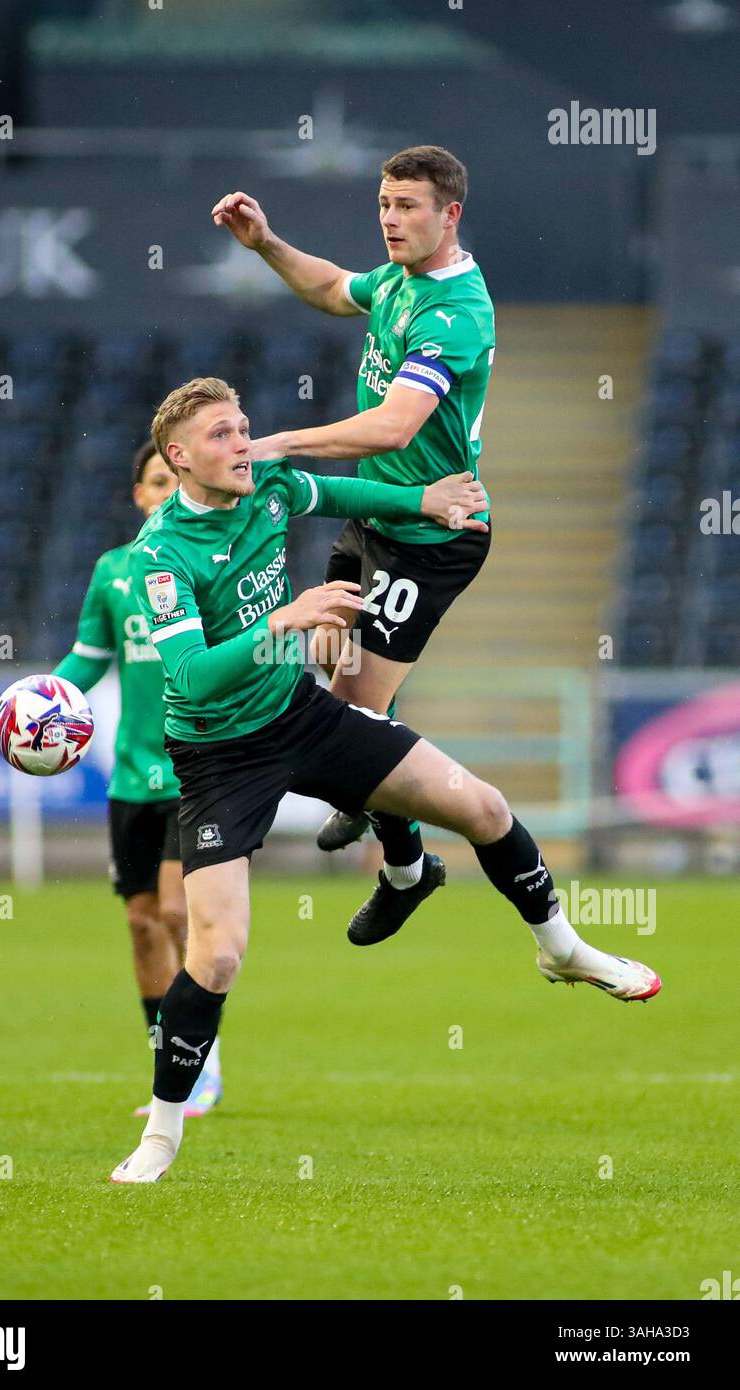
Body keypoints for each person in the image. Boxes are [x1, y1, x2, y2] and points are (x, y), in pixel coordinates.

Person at [109, 378, 660, 1185]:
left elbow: (339, 488)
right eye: (223, 435)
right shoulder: (160, 555)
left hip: (302, 716)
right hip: (221, 760)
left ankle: (562, 949)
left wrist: (424, 502)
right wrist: (285, 620)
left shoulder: (269, 484)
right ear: (177, 457)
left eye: (244, 426)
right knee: (217, 956)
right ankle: (161, 1137)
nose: (244, 444)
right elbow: (190, 677)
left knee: (481, 805)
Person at [212, 146, 495, 935]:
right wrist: (267, 242)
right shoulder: (398, 283)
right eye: (383, 204)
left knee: (348, 712)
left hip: (430, 534)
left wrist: (277, 443)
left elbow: (393, 423)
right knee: (331, 666)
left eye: (407, 206)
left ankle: (404, 868)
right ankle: (391, 837)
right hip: (379, 514)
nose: (391, 219)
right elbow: (335, 288)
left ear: (450, 214)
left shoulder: (456, 312)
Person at [0, 442, 221, 1117]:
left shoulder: (202, 561)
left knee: (180, 913)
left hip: (194, 771)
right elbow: (84, 664)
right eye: (155, 482)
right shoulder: (114, 572)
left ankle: (201, 1060)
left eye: (177, 482)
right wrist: (20, 709)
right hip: (130, 781)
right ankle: (166, 1058)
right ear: (138, 495)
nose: (168, 492)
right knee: (144, 924)